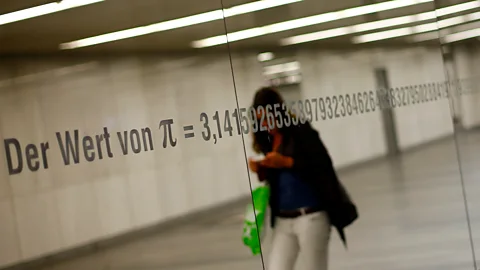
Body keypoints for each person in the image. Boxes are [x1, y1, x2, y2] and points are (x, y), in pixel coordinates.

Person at [248, 87, 357, 270]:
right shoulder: (268, 140)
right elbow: (277, 178)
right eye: (261, 121)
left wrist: (287, 162)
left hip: (311, 217)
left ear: (278, 112)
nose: (266, 125)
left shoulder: (302, 133)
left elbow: (322, 167)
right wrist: (261, 169)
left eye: (268, 119)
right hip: (283, 220)